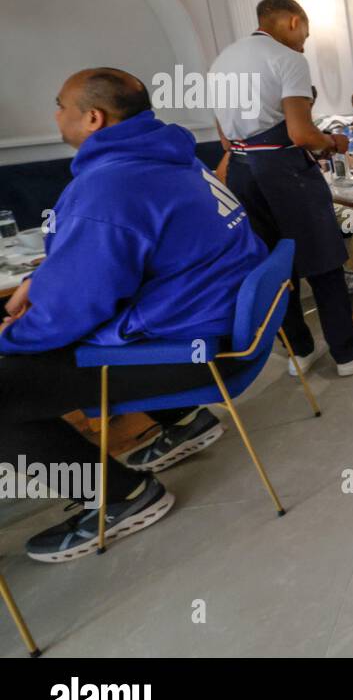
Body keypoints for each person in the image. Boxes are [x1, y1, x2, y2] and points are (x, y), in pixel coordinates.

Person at [0, 68, 267, 561]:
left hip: (196, 346)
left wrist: (9, 338)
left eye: (61, 105)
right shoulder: (173, 156)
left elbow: (74, 308)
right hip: (219, 323)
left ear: (93, 118)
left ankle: (118, 496)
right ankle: (184, 421)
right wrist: (46, 281)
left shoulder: (110, 185)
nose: (55, 115)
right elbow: (121, 258)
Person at [210, 0, 353, 377]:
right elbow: (301, 133)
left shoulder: (221, 62)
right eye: (304, 33)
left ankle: (299, 352)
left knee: (275, 265)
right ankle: (347, 353)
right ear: (293, 21)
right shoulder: (287, 59)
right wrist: (334, 143)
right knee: (323, 259)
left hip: (242, 172)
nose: (304, 42)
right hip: (284, 171)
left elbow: (226, 142)